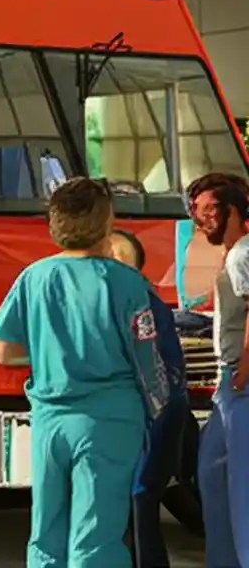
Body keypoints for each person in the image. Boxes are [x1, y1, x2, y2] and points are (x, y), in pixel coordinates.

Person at [0, 177, 166, 567]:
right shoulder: (127, 283)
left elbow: (3, 350)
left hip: (50, 419)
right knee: (96, 536)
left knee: (46, 533)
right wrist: (162, 410)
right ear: (107, 222)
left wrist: (51, 352)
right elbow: (146, 358)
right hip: (110, 421)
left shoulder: (33, 278)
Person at [109, 229, 189, 568]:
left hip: (154, 415)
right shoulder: (138, 297)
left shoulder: (138, 302)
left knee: (139, 500)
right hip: (156, 413)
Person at [186, 172, 249, 568]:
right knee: (213, 474)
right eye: (197, 211)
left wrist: (244, 364)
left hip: (240, 379)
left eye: (210, 210)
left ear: (235, 209)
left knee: (240, 487)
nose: (202, 219)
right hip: (229, 383)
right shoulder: (234, 253)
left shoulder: (243, 253)